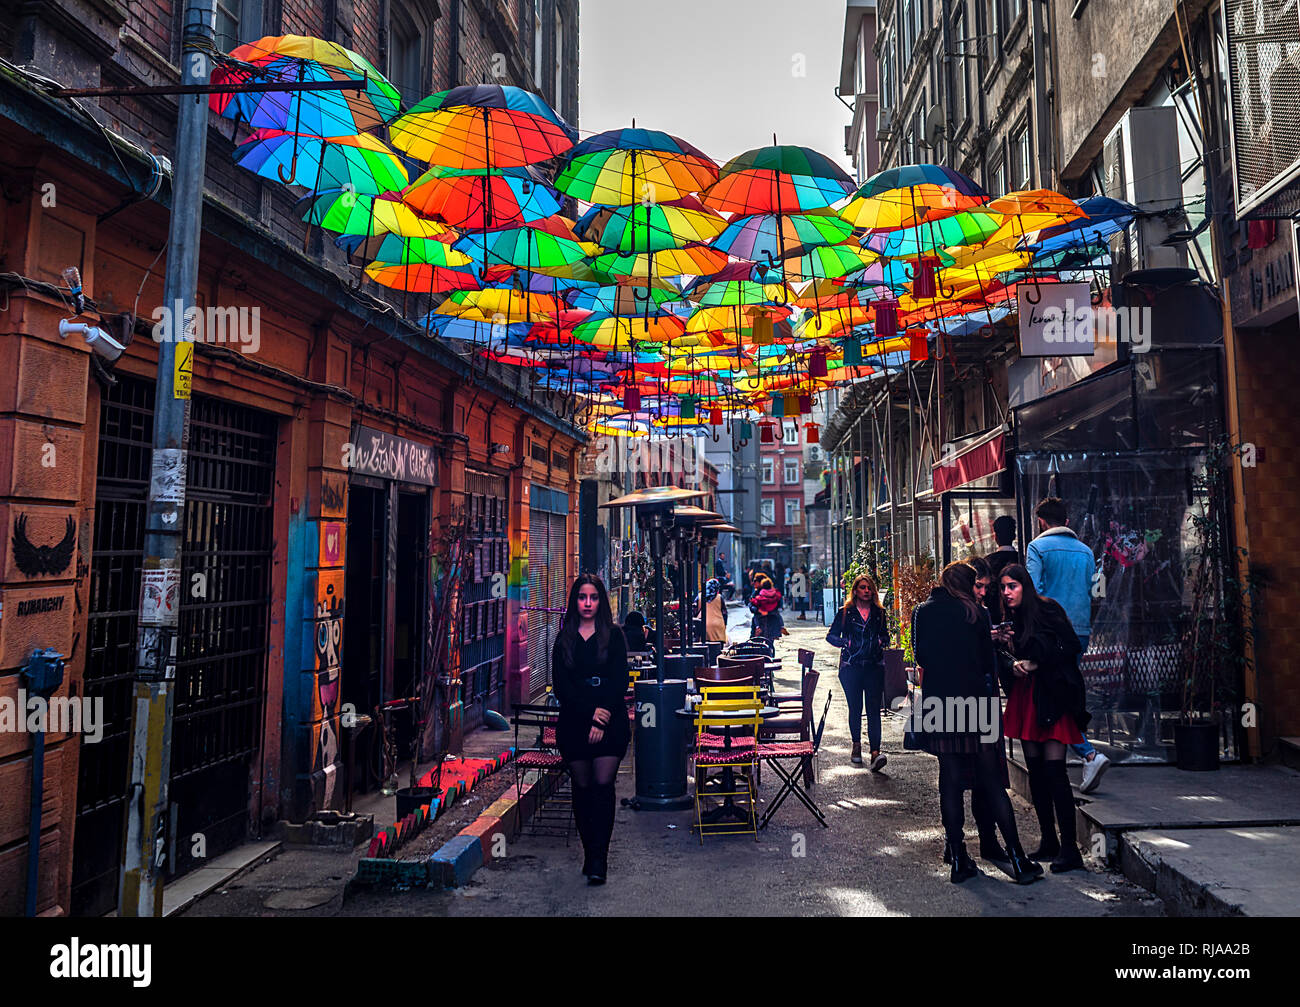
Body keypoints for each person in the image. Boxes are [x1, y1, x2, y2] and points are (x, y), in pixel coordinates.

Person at [913, 563, 1042, 884]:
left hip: (940, 705)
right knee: (991, 782)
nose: (981, 591)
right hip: (977, 704)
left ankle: (958, 858)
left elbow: (921, 658)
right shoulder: (976, 614)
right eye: (976, 585)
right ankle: (1018, 858)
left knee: (950, 780)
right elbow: (987, 663)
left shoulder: (922, 612)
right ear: (965, 585)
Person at [996, 563, 1090, 873]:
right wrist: (1011, 661)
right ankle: (1049, 840)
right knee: (1035, 772)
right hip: (1027, 698)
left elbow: (1071, 647)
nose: (1007, 592)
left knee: (1055, 773)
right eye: (1004, 588)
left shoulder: (1047, 609)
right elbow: (1007, 657)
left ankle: (1070, 849)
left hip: (1051, 696)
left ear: (1025, 585)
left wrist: (1037, 663)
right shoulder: (1011, 619)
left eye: (1013, 586)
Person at [1025, 497, 1110, 793]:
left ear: (1041, 522)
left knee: (1056, 694)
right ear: (1068, 521)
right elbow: (1095, 591)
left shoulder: (1036, 547)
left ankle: (1088, 753)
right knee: (1063, 689)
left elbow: (1032, 592)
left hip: (1050, 633)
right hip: (1080, 631)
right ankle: (1077, 752)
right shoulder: (1086, 551)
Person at [551, 574, 630, 885]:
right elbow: (561, 686)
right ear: (575, 601)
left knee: (602, 784)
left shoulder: (613, 636)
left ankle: (600, 858)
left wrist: (601, 718)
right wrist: (588, 715)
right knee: (581, 789)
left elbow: (619, 681)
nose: (587, 603)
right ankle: (588, 851)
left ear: (601, 601)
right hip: (574, 722)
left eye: (593, 597)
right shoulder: (564, 639)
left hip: (610, 723)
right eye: (582, 597)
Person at [959, 556, 1012, 870]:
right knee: (956, 776)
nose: (982, 592)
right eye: (977, 586)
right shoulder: (956, 613)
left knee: (986, 775)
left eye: (985, 587)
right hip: (960, 705)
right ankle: (957, 845)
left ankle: (988, 840)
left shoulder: (984, 612)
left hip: (986, 702)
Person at [826, 574, 889, 770]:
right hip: (851, 667)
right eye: (862, 587)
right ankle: (856, 746)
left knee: (873, 710)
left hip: (873, 666)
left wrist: (880, 641)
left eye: (869, 588)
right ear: (855, 590)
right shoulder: (846, 612)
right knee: (855, 708)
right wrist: (848, 642)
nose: (867, 591)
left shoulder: (879, 612)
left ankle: (875, 752)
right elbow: (831, 636)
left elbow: (885, 635)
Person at [983, 515, 1020, 624]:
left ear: (995, 537)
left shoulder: (987, 561)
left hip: (993, 617)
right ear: (1014, 535)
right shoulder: (1021, 559)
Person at [749, 574, 785, 653]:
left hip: (764, 621)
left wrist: (763, 611)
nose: (754, 583)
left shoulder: (758, 593)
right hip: (769, 620)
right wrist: (760, 610)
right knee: (762, 643)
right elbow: (751, 606)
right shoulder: (774, 592)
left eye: (756, 581)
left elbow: (752, 604)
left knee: (766, 643)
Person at [696, 578, 728, 643]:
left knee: (705, 647)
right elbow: (724, 613)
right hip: (718, 626)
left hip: (704, 625)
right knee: (718, 649)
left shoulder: (699, 596)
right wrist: (724, 624)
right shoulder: (719, 597)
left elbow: (694, 611)